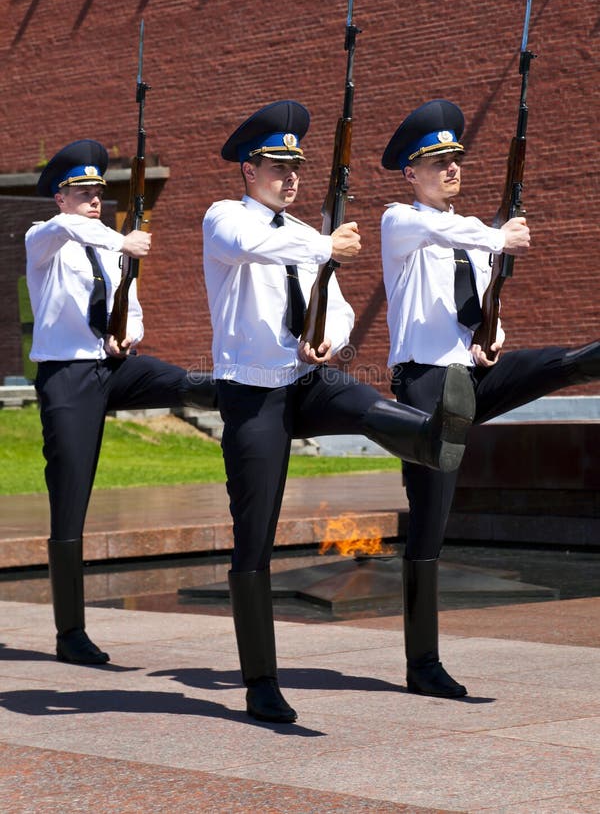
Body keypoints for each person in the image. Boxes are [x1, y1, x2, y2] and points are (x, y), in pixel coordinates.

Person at [203, 99, 477, 724]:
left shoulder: (308, 235)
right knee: (255, 535)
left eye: (295, 166)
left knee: (363, 399)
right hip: (251, 392)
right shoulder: (225, 218)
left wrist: (328, 335)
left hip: (305, 378)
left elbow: (343, 307)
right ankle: (261, 681)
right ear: (249, 170)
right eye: (277, 166)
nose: (290, 176)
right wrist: (325, 243)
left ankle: (434, 436)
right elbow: (251, 246)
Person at [380, 98, 600, 699]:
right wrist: (499, 235)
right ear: (411, 172)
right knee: (431, 523)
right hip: (425, 387)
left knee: (554, 363)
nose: (451, 168)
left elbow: (481, 316)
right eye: (436, 161)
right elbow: (442, 228)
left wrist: (491, 340)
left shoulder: (474, 237)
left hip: (469, 376)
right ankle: (421, 663)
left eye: (455, 159)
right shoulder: (400, 222)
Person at [26, 139, 214, 667]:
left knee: (184, 381)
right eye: (81, 191)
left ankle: (254, 395)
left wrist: (125, 335)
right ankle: (70, 633)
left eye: (97, 192)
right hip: (66, 377)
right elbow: (70, 230)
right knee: (70, 496)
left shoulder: (110, 247)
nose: (92, 199)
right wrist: (122, 239)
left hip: (114, 367)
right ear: (59, 196)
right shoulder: (45, 237)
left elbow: (129, 306)